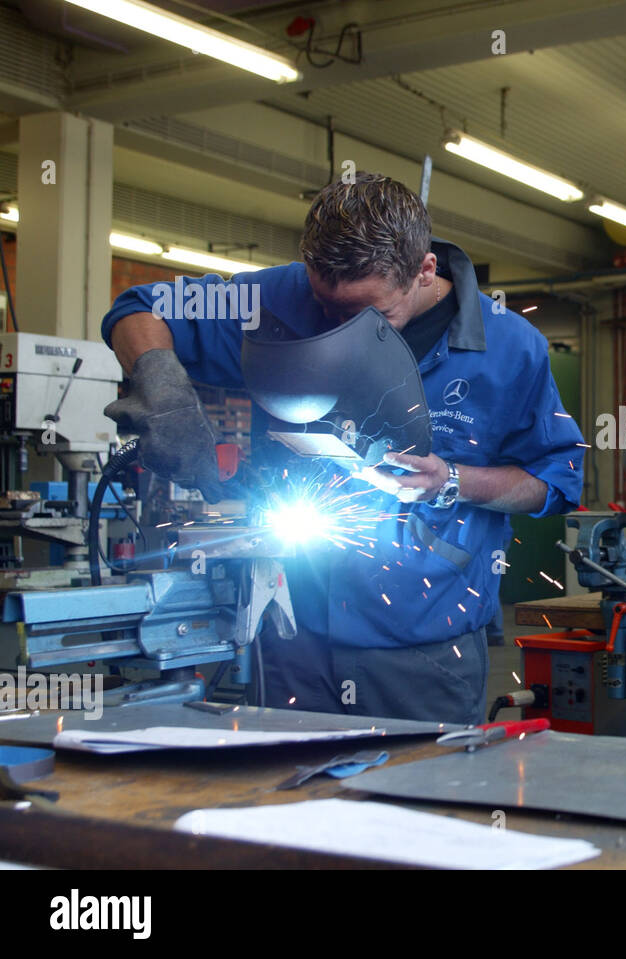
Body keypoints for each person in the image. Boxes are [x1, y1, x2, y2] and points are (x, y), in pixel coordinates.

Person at [102, 172, 585, 725]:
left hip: (423, 648)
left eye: (362, 313)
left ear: (424, 270)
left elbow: (554, 481)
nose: (336, 324)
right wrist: (165, 395)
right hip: (288, 630)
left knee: (418, 781)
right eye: (325, 307)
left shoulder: (510, 348)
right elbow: (139, 308)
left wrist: (452, 480)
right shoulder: (280, 298)